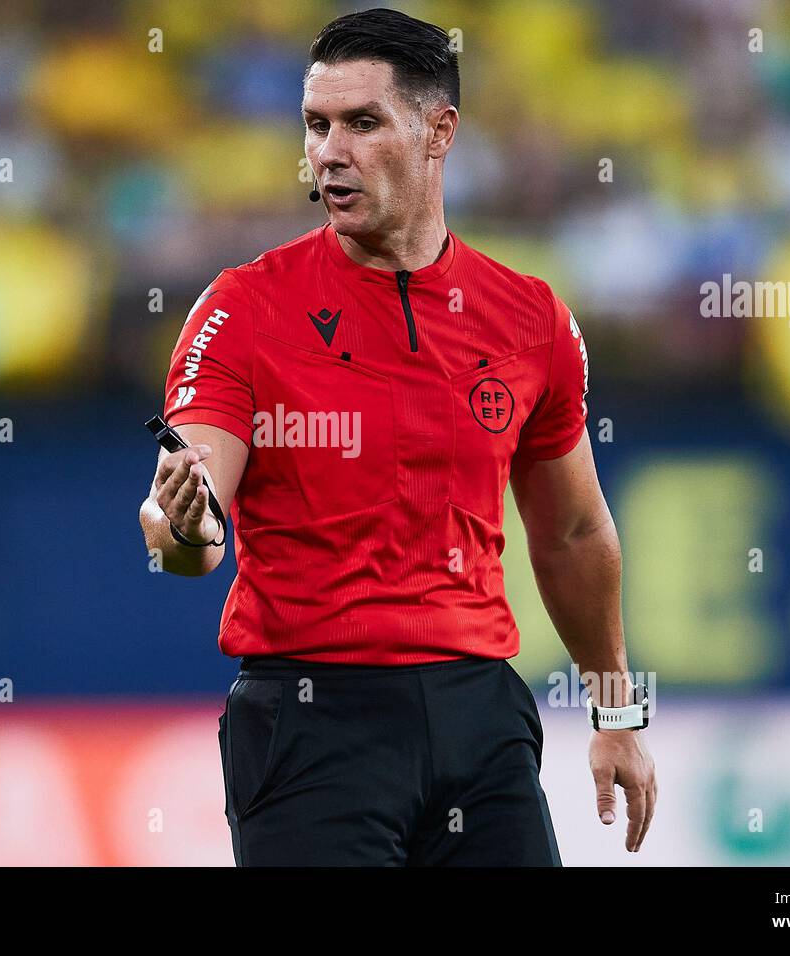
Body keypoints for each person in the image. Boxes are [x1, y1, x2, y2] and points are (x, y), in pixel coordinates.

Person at [140, 7, 656, 866]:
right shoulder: (242, 311)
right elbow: (189, 533)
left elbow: (570, 531)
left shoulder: (530, 320)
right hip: (311, 724)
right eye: (316, 125)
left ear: (437, 131)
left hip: (480, 718)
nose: (329, 151)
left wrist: (613, 710)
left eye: (362, 123)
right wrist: (180, 524)